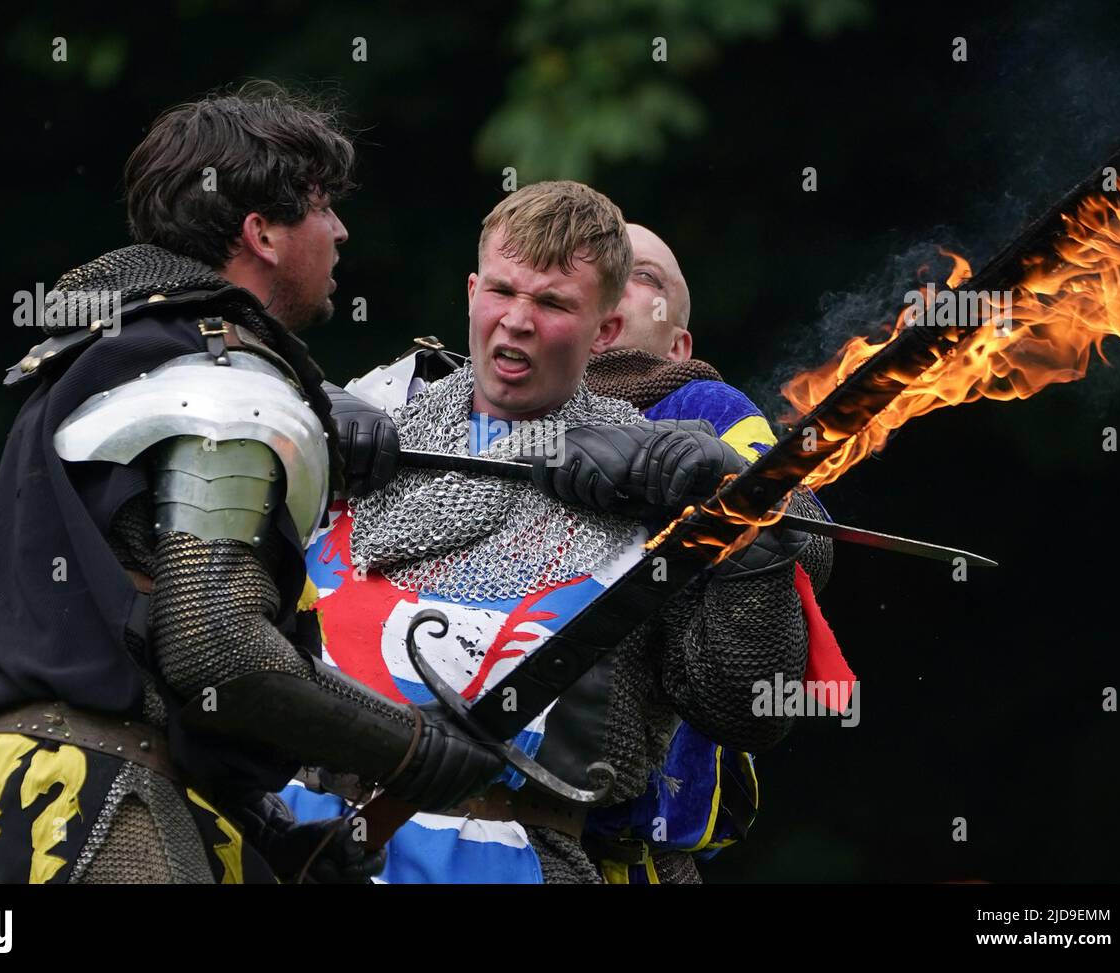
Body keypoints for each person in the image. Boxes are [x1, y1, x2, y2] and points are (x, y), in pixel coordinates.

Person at [0, 81, 500, 885]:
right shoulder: (220, 378)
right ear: (262, 232)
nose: (340, 230)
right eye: (322, 205)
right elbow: (218, 649)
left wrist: (270, 832)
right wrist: (411, 747)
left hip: (4, 811)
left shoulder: (105, 360)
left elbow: (136, 654)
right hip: (97, 812)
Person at [282, 181, 823, 882]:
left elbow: (746, 707)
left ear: (603, 331)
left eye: (553, 303)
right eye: (503, 291)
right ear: (471, 290)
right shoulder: (381, 407)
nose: (517, 321)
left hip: (519, 857)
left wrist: (745, 526)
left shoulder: (663, 469)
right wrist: (293, 404)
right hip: (295, 838)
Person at [582, 223, 844, 883]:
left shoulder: (703, 402)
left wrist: (725, 465)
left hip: (637, 846)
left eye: (644, 276)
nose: (618, 280)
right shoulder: (489, 397)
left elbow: (806, 532)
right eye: (596, 265)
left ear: (679, 342)